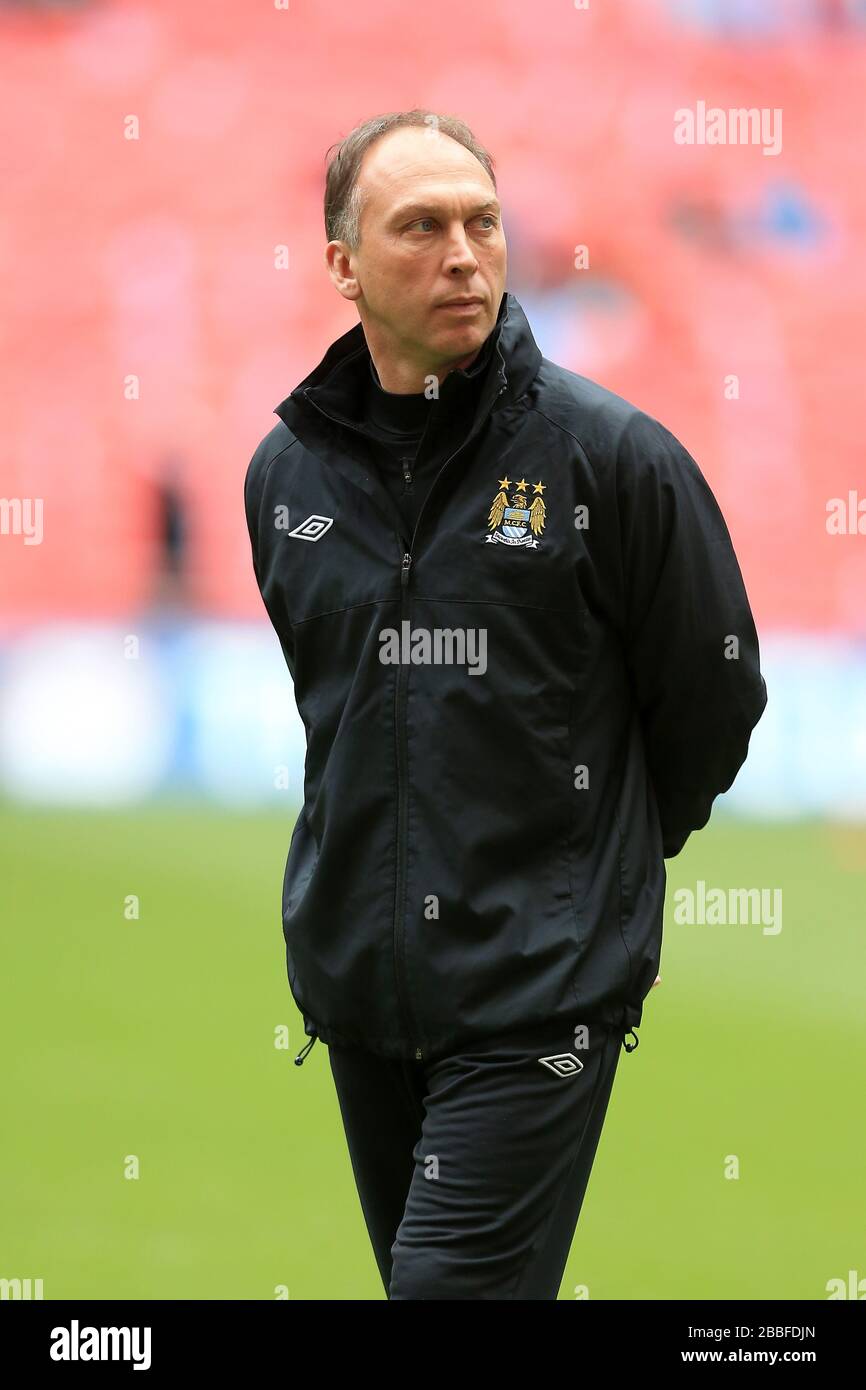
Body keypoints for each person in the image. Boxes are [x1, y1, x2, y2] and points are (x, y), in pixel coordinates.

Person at [243, 110, 768, 1300]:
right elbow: (335, 718)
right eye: (418, 228)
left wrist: (592, 865)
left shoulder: (610, 458)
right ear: (341, 263)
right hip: (363, 995)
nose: (463, 255)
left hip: (539, 991)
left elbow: (714, 692)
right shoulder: (285, 475)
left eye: (482, 223)